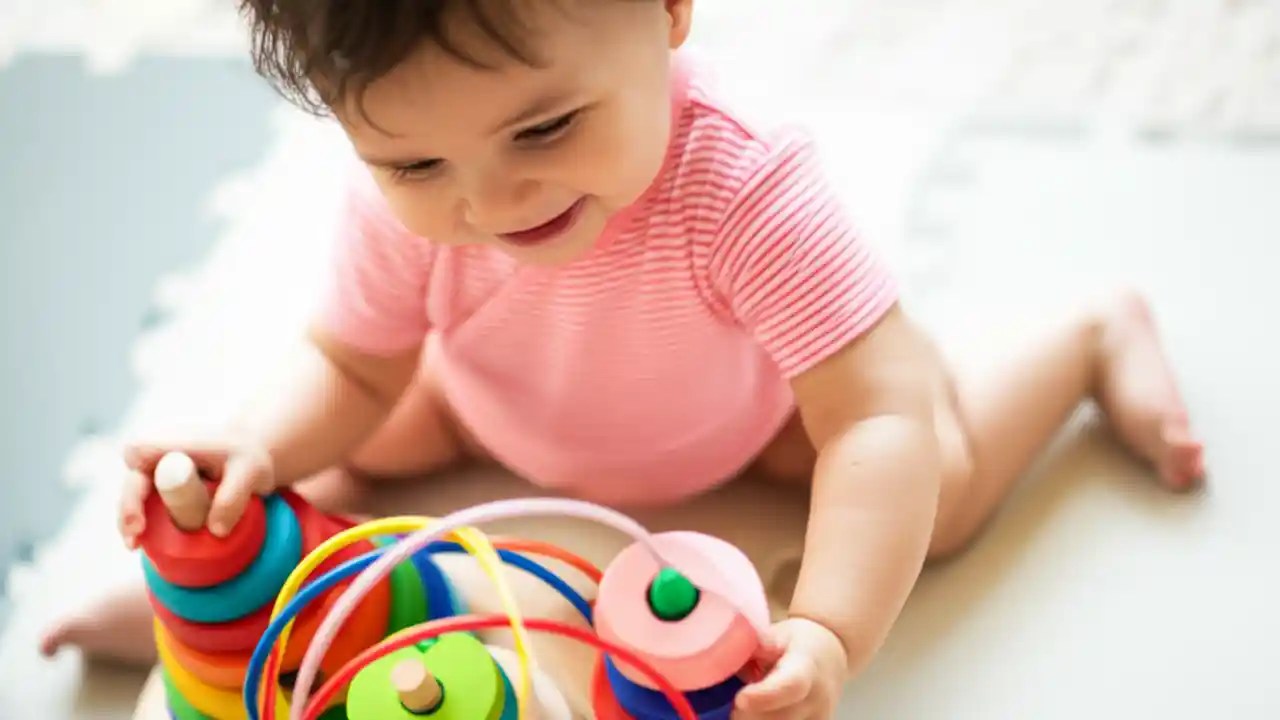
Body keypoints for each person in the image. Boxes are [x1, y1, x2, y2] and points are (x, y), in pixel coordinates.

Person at [40, 1, 1205, 717]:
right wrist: (257, 450)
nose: (491, 203)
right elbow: (351, 368)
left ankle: (1087, 334)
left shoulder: (740, 189)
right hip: (482, 400)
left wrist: (831, 630)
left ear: (667, 7)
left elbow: (872, 418)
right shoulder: (406, 207)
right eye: (413, 167)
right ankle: (220, 599)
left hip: (754, 417)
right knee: (327, 472)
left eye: (543, 129)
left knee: (931, 491)